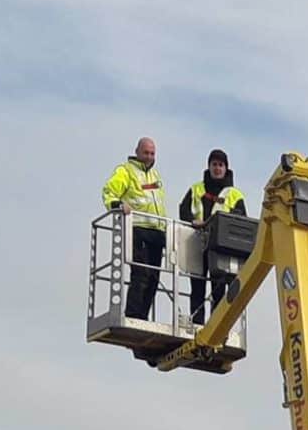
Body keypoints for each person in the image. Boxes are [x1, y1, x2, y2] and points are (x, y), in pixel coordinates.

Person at [180, 149, 248, 323]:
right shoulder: (196, 189)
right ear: (209, 166)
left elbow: (242, 221)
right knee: (197, 286)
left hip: (220, 248)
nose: (217, 168)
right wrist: (192, 220)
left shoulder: (234, 194)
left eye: (220, 165)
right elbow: (183, 210)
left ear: (226, 168)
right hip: (198, 242)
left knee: (219, 289)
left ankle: (217, 325)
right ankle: (197, 323)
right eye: (214, 164)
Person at [102, 138, 166, 321]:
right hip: (138, 228)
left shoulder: (155, 175)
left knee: (154, 278)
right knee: (141, 273)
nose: (149, 156)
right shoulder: (126, 171)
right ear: (137, 152)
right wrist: (117, 205)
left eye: (152, 153)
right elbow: (109, 191)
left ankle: (142, 316)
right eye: (146, 152)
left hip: (157, 231)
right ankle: (133, 314)